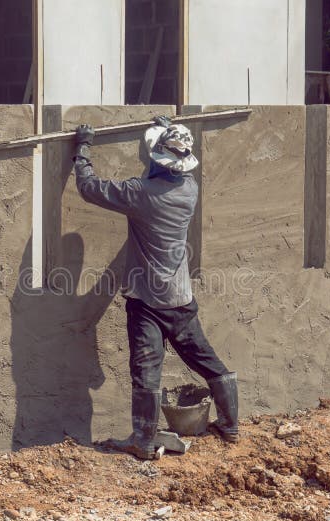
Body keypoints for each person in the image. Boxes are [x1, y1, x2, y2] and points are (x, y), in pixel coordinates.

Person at [72, 116, 239, 460]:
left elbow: (89, 188)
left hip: (148, 303)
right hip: (180, 298)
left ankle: (143, 442)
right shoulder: (189, 188)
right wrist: (166, 134)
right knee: (205, 359)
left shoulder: (140, 193)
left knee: (147, 373)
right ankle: (230, 424)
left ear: (159, 159)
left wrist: (82, 148)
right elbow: (160, 169)